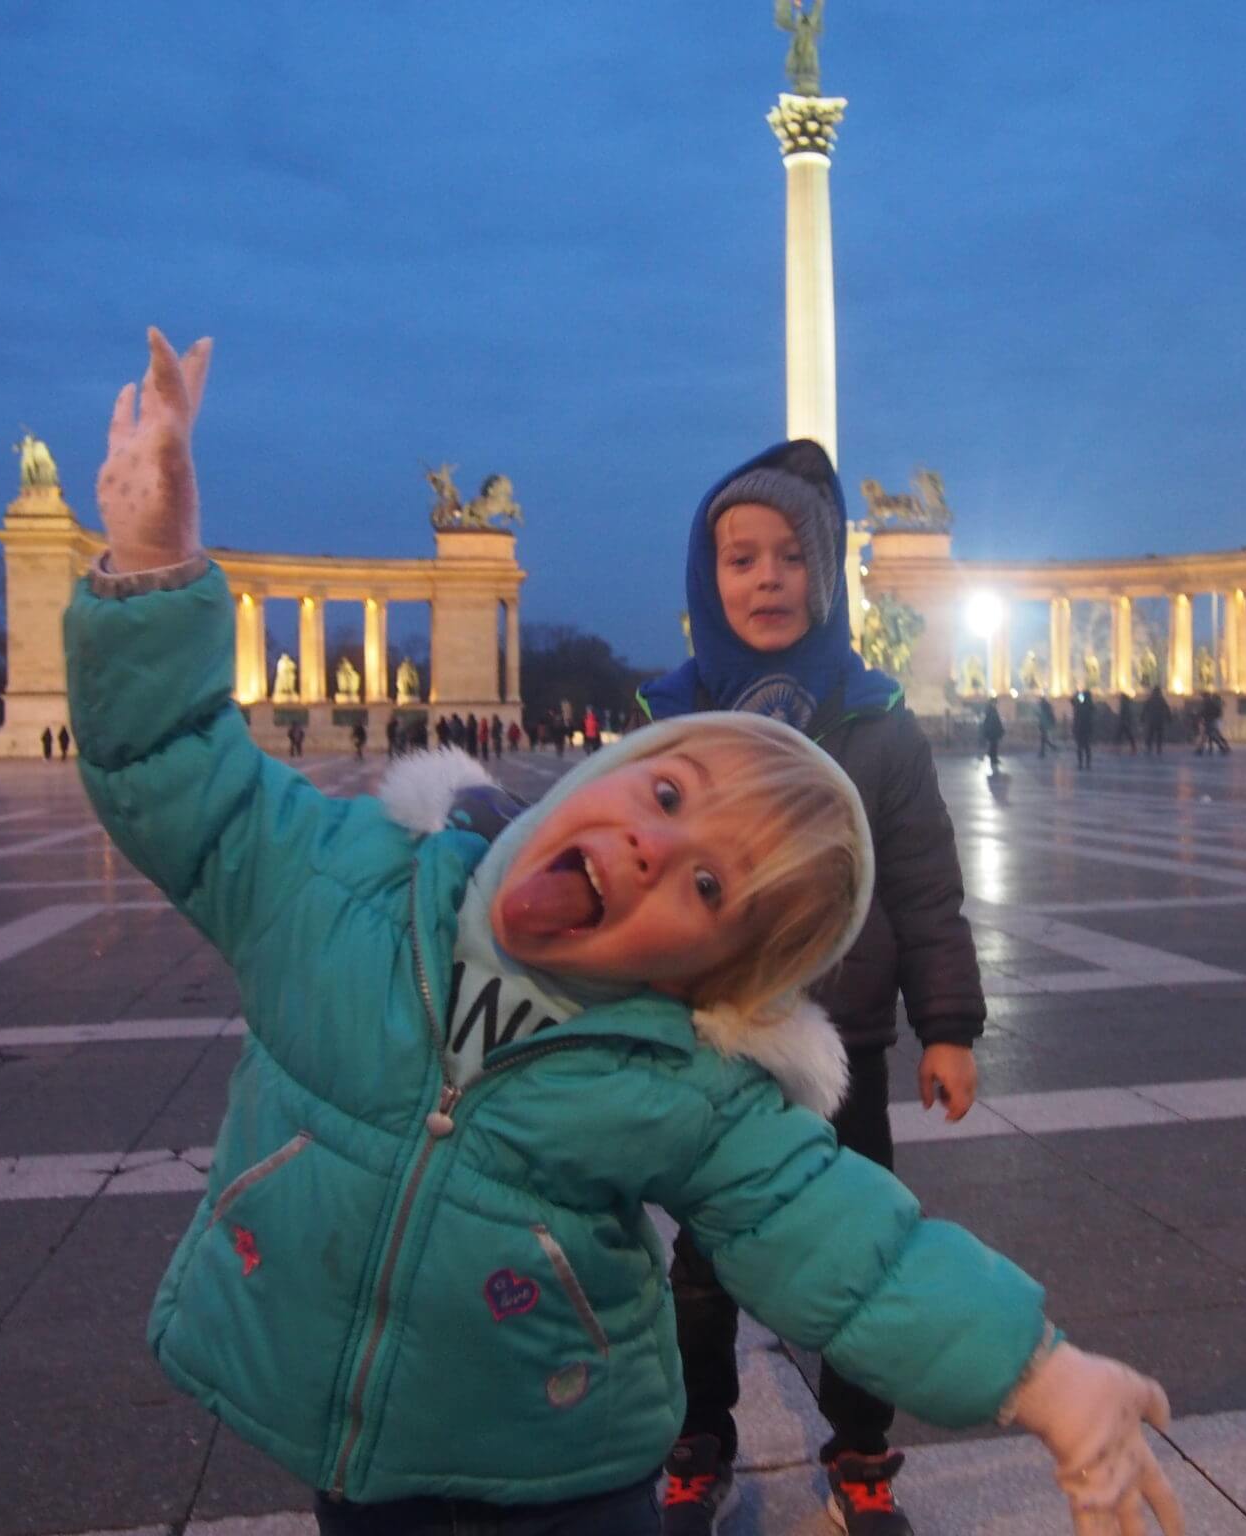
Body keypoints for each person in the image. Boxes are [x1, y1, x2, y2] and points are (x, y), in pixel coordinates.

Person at [68, 329, 1180, 1536]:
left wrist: (1041, 1373)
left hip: (568, 1458)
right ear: (592, 777)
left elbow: (847, 1239)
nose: (659, 850)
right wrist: (149, 570)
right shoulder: (357, 887)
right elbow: (182, 777)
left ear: (719, 980)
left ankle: (830, 1445)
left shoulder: (688, 1077)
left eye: (709, 892)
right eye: (659, 794)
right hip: (349, 1441)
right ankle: (708, 1432)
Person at [636, 440, 1002, 1535]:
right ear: (707, 579)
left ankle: (861, 1444)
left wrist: (947, 1026)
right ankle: (699, 1431)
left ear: (827, 573)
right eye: (739, 557)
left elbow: (927, 886)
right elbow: (637, 873)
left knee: (862, 1247)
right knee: (701, 1260)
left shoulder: (874, 718)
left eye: (790, 556)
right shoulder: (674, 716)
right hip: (720, 1038)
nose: (765, 577)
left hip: (847, 1040)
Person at [1196, 691, 1229, 757]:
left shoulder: (1208, 703)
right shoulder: (1209, 702)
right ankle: (1221, 748)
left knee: (1209, 736)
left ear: (1206, 697)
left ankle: (1201, 750)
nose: (1202, 698)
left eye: (1203, 696)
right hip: (1210, 721)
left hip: (1209, 721)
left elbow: (1205, 711)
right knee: (1211, 736)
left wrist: (1200, 716)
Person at [1071, 688, 1096, 770]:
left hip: (1080, 728)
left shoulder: (1080, 705)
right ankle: (1087, 764)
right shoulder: (1089, 705)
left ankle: (1081, 764)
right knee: (1086, 747)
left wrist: (1078, 694)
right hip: (1086, 728)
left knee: (1080, 747)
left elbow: (1072, 701)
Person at [1143, 685, 1171, 755]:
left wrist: (1142, 717)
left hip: (1152, 720)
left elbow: (1145, 709)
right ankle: (1158, 748)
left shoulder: (1150, 699)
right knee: (1159, 735)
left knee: (1150, 734)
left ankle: (1149, 747)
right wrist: (1169, 717)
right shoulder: (1161, 699)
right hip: (1159, 720)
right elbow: (1167, 708)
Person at [980, 697, 1005, 774]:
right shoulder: (990, 710)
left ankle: (994, 757)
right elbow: (992, 721)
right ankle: (993, 758)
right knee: (993, 745)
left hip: (993, 731)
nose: (996, 704)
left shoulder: (991, 710)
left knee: (994, 745)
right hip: (992, 731)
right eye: (995, 703)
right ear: (992, 703)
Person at [1114, 691, 1138, 755]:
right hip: (1125, 722)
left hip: (1124, 722)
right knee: (1125, 734)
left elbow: (1124, 714)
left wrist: (1123, 720)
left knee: (1123, 734)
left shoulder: (1124, 704)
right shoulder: (1126, 704)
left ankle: (1117, 746)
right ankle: (1132, 746)